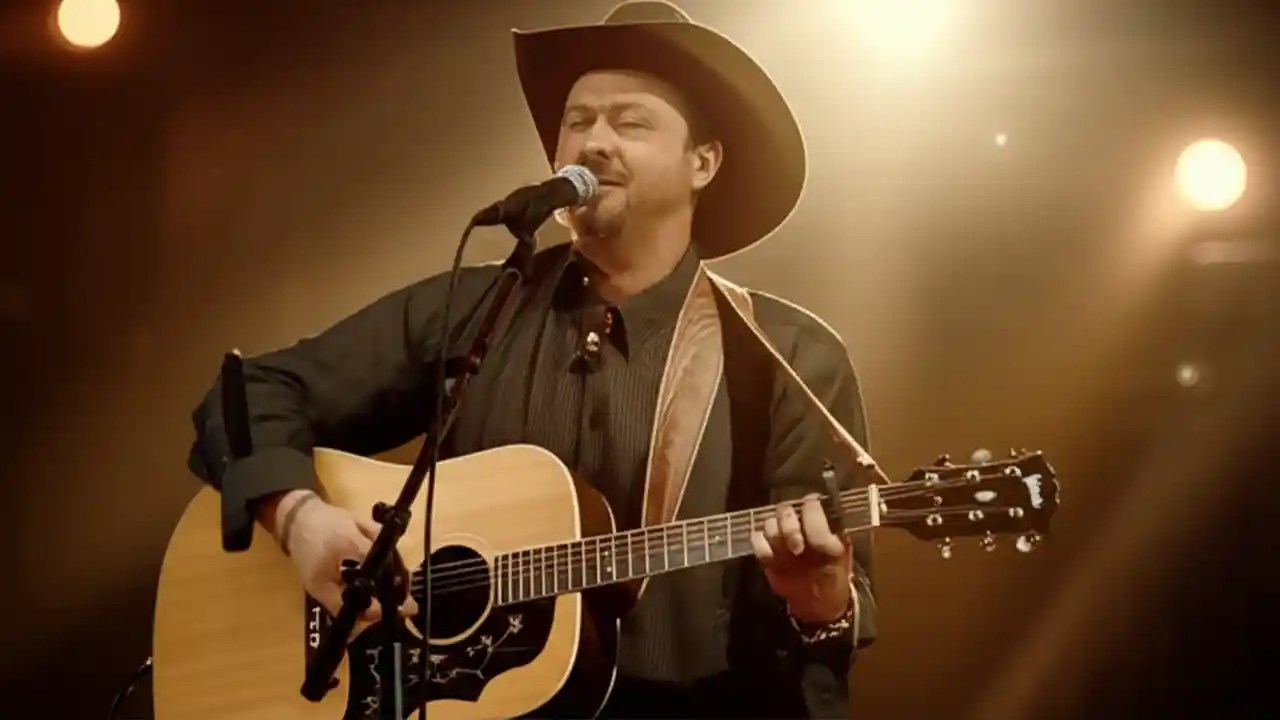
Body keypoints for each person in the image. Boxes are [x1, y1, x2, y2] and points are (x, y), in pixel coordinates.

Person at [187, 1, 877, 717]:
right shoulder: (477, 308)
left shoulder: (787, 356)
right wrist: (300, 519)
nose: (593, 142)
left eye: (631, 122)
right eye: (577, 122)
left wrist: (819, 599)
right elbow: (250, 393)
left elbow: (828, 641)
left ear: (703, 162)